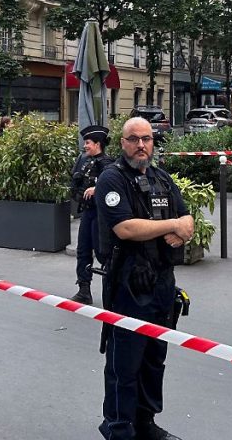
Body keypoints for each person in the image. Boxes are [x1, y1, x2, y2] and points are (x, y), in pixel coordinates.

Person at [95, 117, 193, 440]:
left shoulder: (161, 178)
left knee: (154, 360)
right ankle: (119, 428)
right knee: (125, 363)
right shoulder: (112, 179)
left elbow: (187, 219)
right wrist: (171, 227)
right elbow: (125, 228)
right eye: (134, 139)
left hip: (161, 285)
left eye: (147, 139)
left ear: (153, 142)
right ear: (122, 143)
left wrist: (183, 230)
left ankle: (145, 423)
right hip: (128, 286)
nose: (141, 145)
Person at [69, 125, 115, 304]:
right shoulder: (84, 160)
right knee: (83, 250)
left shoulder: (108, 164)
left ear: (98, 144)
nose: (85, 146)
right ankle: (84, 289)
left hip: (100, 216)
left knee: (103, 253)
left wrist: (97, 188)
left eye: (88, 142)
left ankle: (111, 289)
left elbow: (114, 184)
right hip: (87, 213)